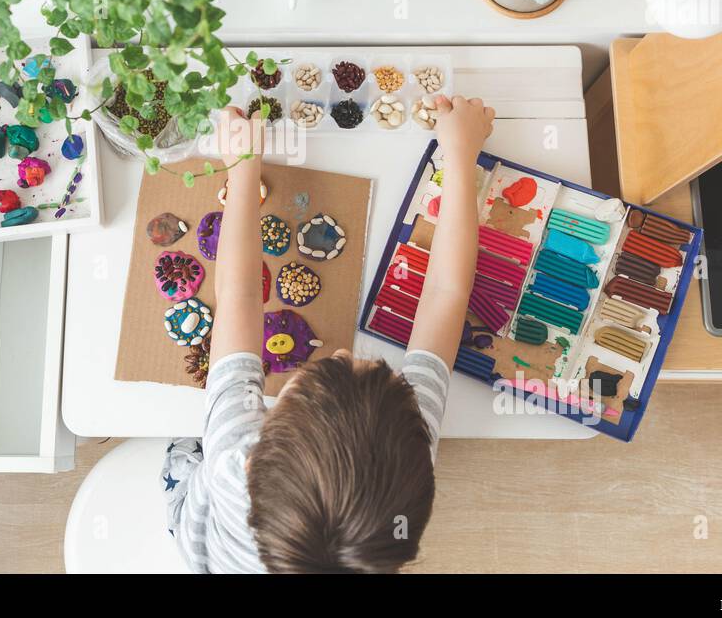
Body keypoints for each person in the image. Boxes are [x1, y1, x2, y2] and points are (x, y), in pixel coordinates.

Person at [162, 96, 496, 572]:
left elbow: (237, 297)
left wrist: (241, 166)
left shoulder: (232, 457)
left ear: (256, 455)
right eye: (371, 366)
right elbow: (445, 291)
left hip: (205, 542)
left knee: (177, 442)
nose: (341, 349)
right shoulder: (398, 450)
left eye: (321, 370)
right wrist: (463, 160)